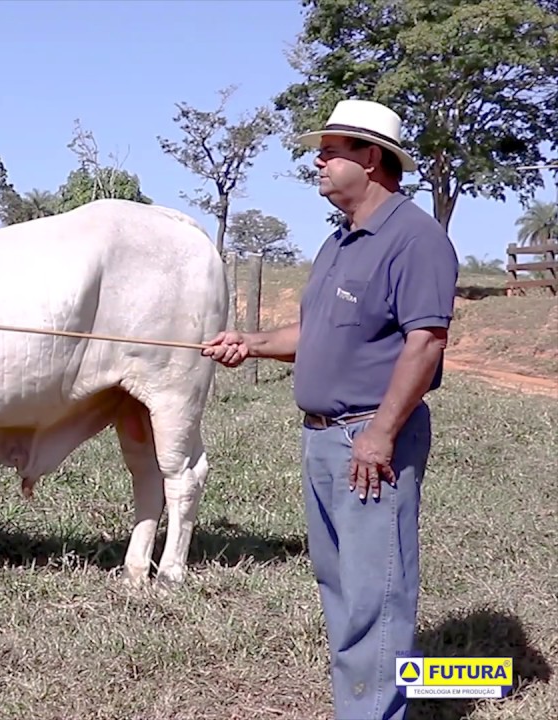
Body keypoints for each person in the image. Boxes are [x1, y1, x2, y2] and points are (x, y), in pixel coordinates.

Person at [201, 99, 459, 720]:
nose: (317, 162)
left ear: (371, 158)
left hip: (370, 440)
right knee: (341, 587)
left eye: (331, 151)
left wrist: (381, 434)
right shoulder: (339, 241)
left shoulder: (415, 239)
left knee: (377, 594)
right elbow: (316, 332)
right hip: (322, 439)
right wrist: (251, 342)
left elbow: (426, 343)